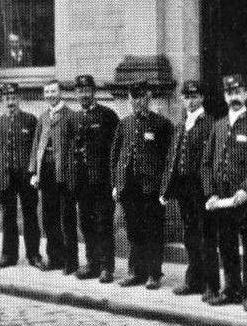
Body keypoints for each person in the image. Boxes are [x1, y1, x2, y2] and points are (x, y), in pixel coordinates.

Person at [201, 73, 247, 312]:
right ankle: (231, 289)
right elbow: (207, 163)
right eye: (230, 93)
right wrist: (210, 192)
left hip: (246, 201)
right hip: (222, 201)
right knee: (227, 246)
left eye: (239, 92)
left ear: (246, 95)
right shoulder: (218, 126)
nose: (235, 97)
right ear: (224, 96)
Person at [111, 79, 173, 290]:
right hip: (129, 187)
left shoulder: (162, 125)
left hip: (151, 189)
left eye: (142, 97)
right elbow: (115, 156)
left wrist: (164, 188)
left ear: (149, 98)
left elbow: (169, 160)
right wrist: (116, 184)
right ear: (130, 99)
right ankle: (137, 272)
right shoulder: (124, 123)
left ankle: (154, 274)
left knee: (153, 231)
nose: (138, 102)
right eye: (134, 97)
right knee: (134, 230)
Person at [160, 79, 219, 300]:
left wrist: (211, 189)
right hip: (184, 189)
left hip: (201, 189)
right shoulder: (181, 124)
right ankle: (193, 280)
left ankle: (210, 285)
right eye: (186, 97)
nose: (190, 101)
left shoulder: (211, 124)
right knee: (190, 235)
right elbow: (173, 159)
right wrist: (167, 188)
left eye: (194, 96)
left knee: (206, 236)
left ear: (202, 98)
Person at [0, 81, 41, 268]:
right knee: (8, 216)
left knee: (30, 215)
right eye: (7, 98)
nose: (11, 102)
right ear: (3, 100)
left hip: (26, 177)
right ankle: (9, 255)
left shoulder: (30, 120)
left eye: (14, 98)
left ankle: (34, 255)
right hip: (5, 177)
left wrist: (35, 173)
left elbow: (36, 151)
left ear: (20, 99)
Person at [72, 73, 119, 283]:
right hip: (82, 183)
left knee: (103, 224)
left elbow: (116, 150)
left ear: (94, 92)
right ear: (76, 93)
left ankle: (107, 267)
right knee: (86, 223)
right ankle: (92, 263)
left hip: (101, 181)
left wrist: (114, 181)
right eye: (80, 91)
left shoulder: (107, 116)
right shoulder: (74, 118)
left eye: (87, 90)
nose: (84, 94)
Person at [30, 79, 78, 273]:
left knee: (67, 218)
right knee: (49, 217)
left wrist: (72, 172)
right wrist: (33, 171)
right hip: (46, 173)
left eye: (53, 91)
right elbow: (35, 146)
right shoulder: (43, 117)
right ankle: (54, 257)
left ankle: (70, 261)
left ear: (60, 93)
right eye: (47, 92)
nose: (50, 95)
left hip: (64, 173)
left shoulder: (70, 116)